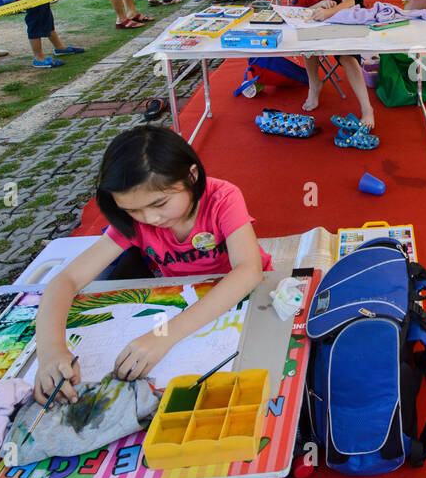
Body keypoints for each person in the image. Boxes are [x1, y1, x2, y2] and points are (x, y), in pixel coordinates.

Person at [33, 126, 268, 401]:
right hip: (187, 305)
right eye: (132, 210)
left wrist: (165, 335)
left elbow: (249, 271)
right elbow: (66, 280)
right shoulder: (135, 222)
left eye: (160, 203)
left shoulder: (222, 199)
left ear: (191, 176)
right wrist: (51, 351)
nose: (150, 219)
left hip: (248, 300)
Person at [292, 0, 376, 128]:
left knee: (349, 60)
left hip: (340, 26)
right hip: (311, 28)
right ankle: (314, 86)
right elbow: (297, 11)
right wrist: (319, 5)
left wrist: (329, 11)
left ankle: (367, 109)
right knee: (308, 51)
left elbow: (350, 1)